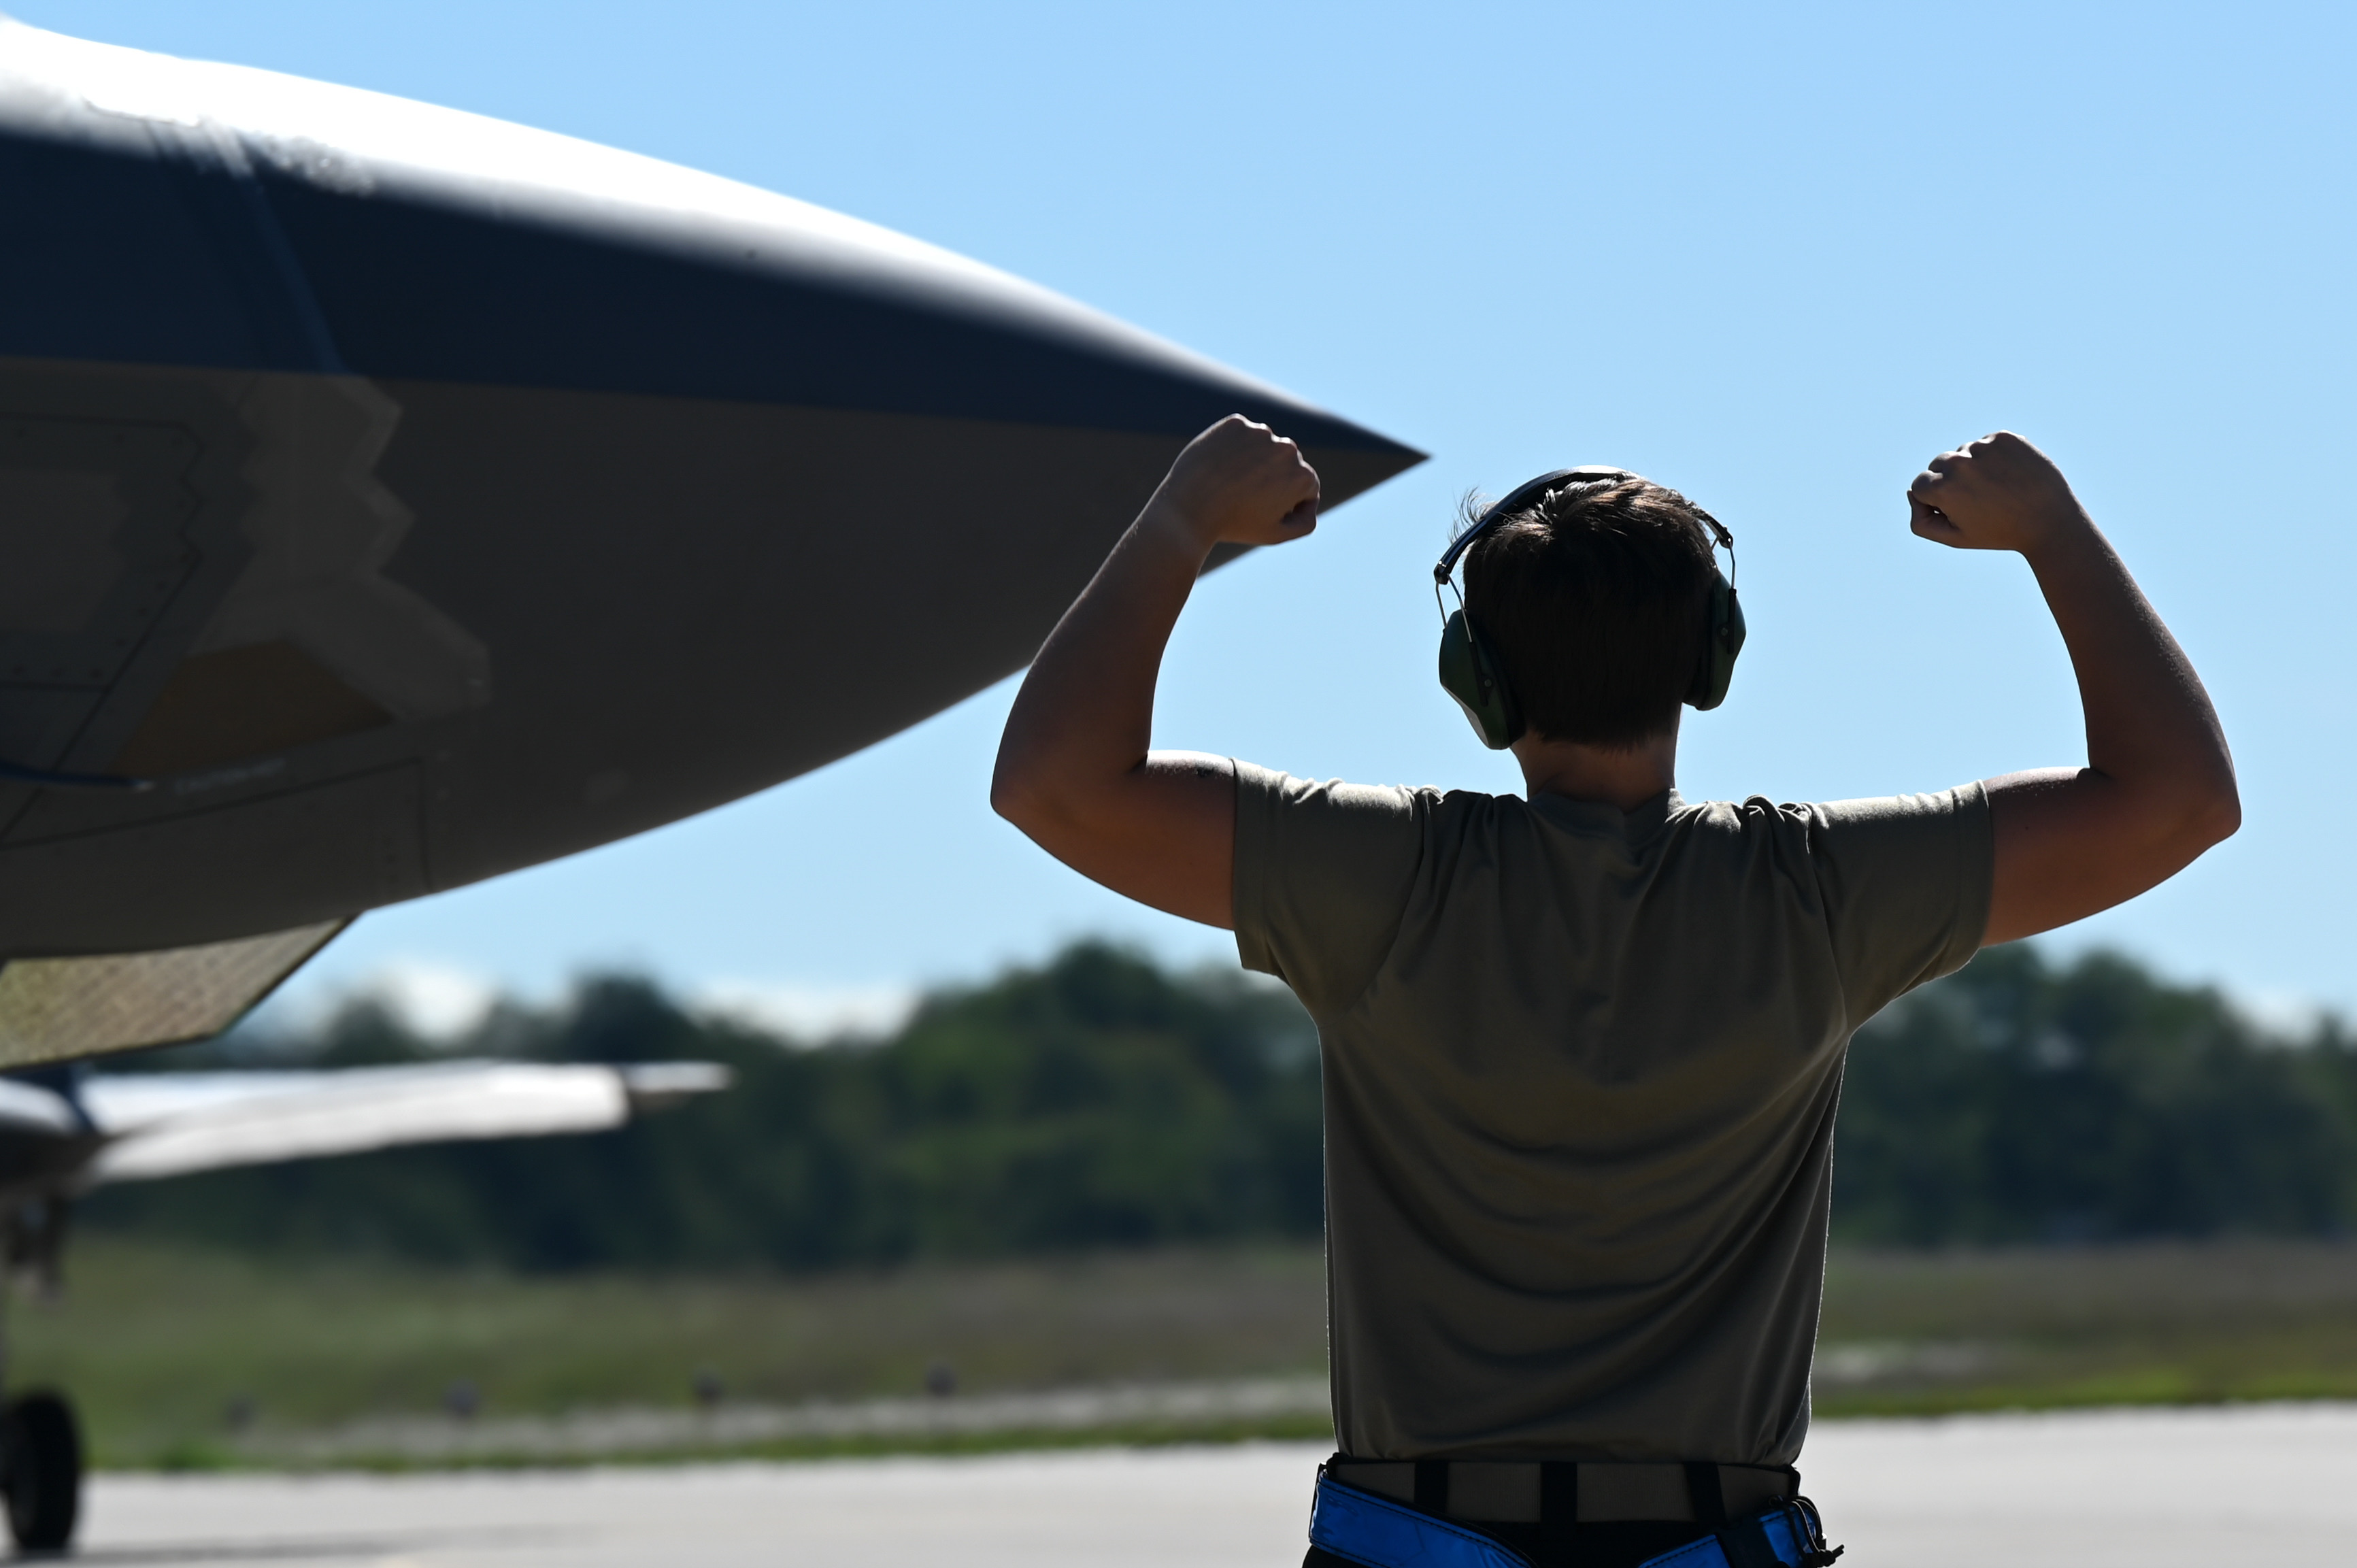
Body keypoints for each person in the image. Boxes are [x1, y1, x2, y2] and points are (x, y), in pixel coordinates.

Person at [990, 417, 2237, 1568]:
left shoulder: (1381, 881)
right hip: (1708, 1538)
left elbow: (1056, 782)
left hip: (1418, 1539)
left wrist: (1176, 525)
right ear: (1712, 658)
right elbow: (2178, 797)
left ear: (1473, 679)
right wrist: (2052, 529)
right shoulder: (1811, 894)